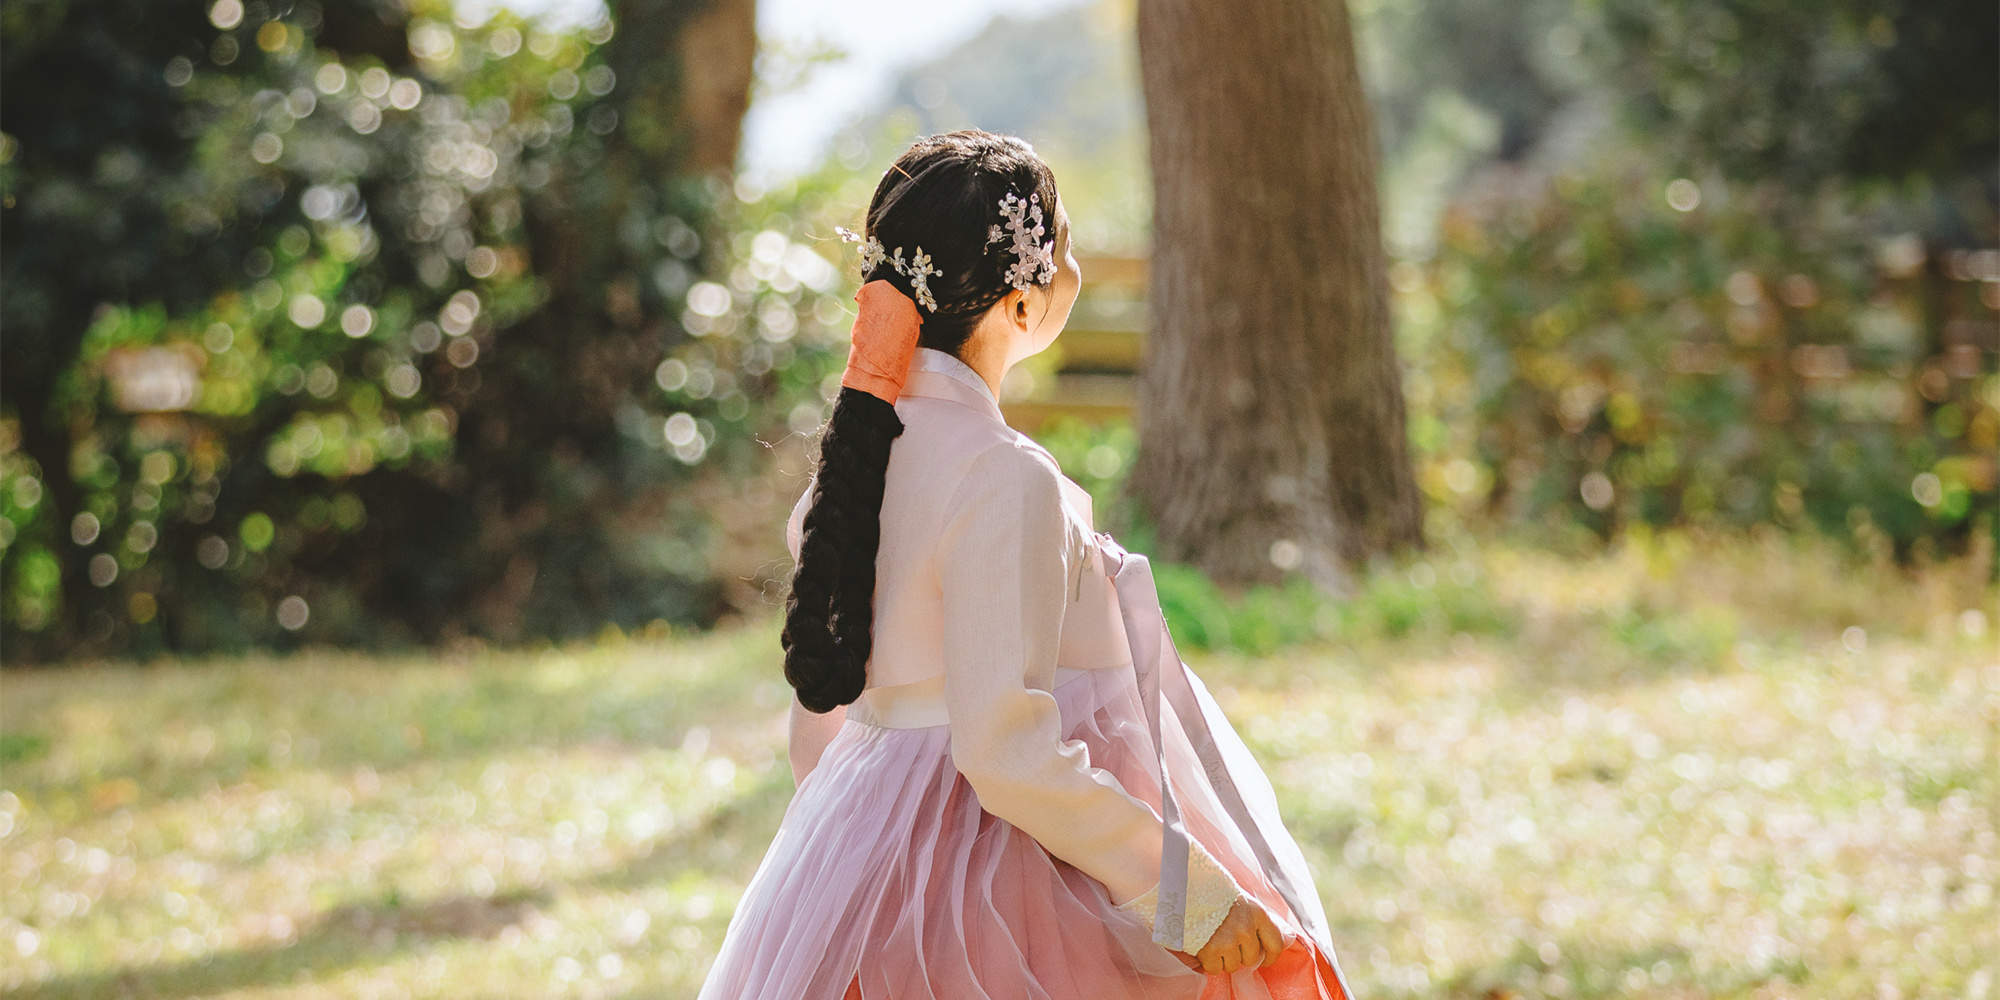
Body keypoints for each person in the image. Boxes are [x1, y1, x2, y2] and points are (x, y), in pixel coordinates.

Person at [697, 129, 1353, 999]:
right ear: (1019, 304)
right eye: (1066, 248)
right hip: (1009, 885)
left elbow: (823, 723)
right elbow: (1003, 751)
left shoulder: (854, 472)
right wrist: (1181, 890)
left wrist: (866, 857)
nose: (1074, 270)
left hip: (874, 862)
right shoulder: (999, 476)